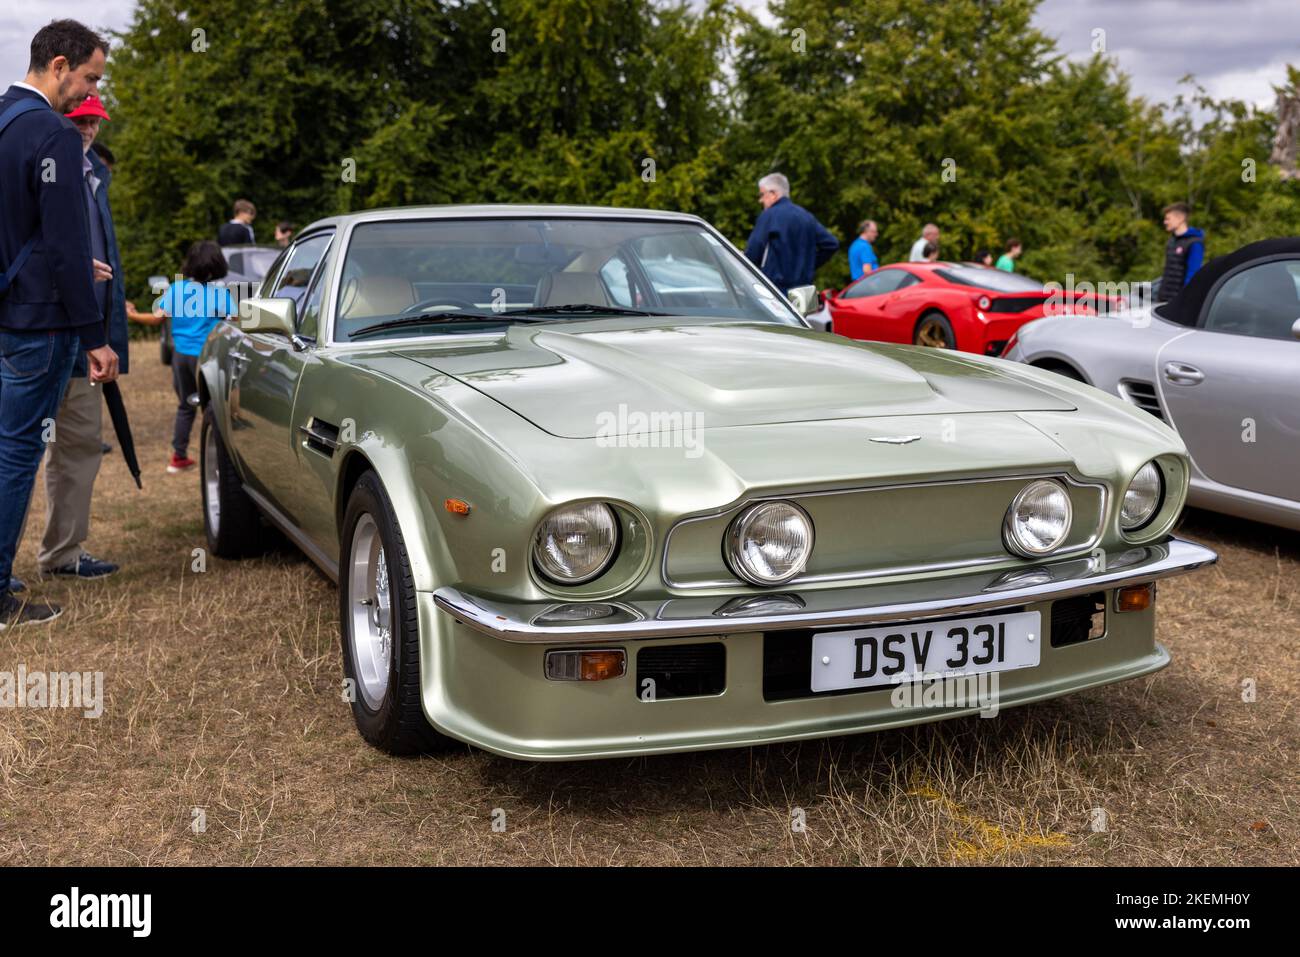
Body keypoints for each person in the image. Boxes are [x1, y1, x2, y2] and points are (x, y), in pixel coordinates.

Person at [1, 20, 118, 629]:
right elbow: (67, 240)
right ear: (59, 64)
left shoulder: (3, 119)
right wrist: (95, 337)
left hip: (10, 307)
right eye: (90, 77)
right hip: (40, 322)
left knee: (7, 449)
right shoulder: (50, 132)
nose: (89, 94)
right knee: (18, 454)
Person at [33, 93, 126, 581]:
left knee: (80, 446)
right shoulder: (43, 166)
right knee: (22, 453)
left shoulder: (94, 175)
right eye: (79, 119)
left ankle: (63, 553)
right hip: (39, 333)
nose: (88, 128)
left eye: (94, 120)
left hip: (84, 338)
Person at [155, 242, 235, 473]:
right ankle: (221, 459)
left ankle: (178, 457)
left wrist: (131, 314)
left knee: (185, 406)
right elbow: (237, 319)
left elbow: (158, 316)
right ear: (217, 265)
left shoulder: (176, 289)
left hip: (180, 357)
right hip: (205, 357)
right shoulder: (219, 293)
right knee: (216, 408)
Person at [744, 173, 839, 291]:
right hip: (805, 291)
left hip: (777, 290)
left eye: (762, 194)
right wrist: (809, 266)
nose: (760, 200)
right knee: (805, 311)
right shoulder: (806, 216)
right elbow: (832, 244)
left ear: (773, 194)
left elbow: (753, 252)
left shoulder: (769, 215)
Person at [1158, 203, 1205, 300]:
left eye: (1168, 219)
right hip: (1164, 297)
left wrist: (1183, 299)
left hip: (1178, 300)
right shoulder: (1172, 241)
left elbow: (1192, 275)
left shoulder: (1195, 243)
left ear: (1181, 219)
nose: (1165, 222)